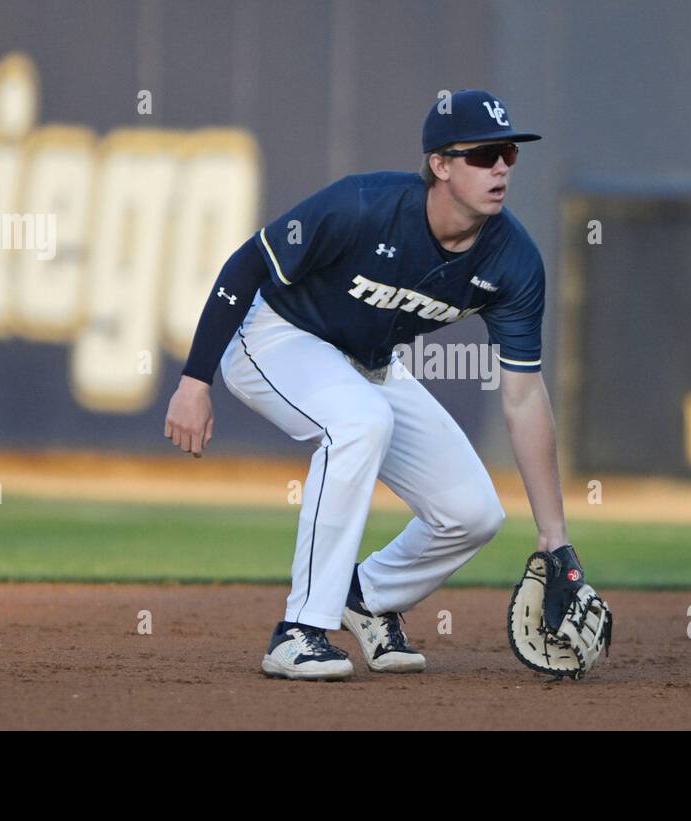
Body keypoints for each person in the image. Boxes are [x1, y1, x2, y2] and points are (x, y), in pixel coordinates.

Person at [163, 89, 572, 681]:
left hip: (367, 362)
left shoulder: (514, 262)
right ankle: (299, 631)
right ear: (441, 164)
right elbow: (248, 264)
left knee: (473, 513)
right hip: (275, 336)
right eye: (484, 155)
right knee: (360, 422)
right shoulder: (362, 205)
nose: (501, 167)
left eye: (508, 153)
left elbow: (525, 395)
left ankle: (368, 598)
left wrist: (554, 536)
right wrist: (194, 380)